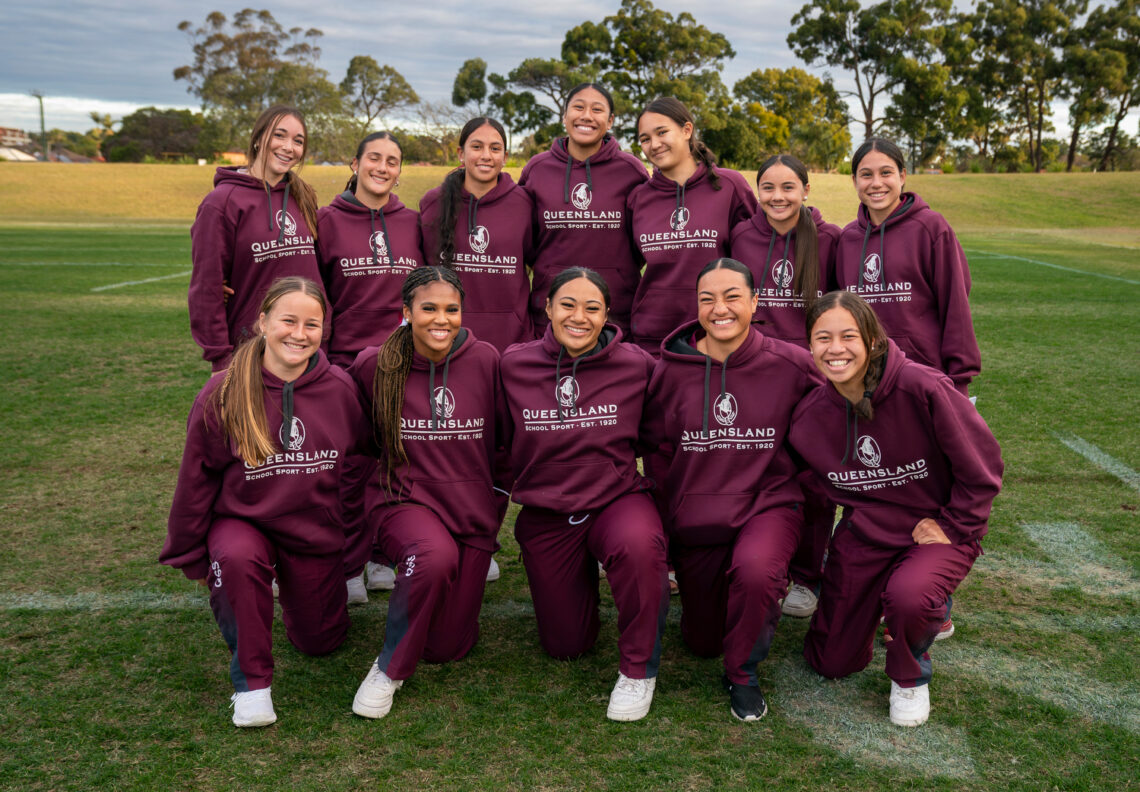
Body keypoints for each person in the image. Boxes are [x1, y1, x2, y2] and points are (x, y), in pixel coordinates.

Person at [787, 290, 1002, 727]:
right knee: (831, 662)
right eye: (822, 338)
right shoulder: (810, 416)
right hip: (868, 533)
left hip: (936, 529)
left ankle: (910, 672)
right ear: (809, 345)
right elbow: (798, 486)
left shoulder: (923, 387)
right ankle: (881, 604)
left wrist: (955, 522)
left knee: (909, 596)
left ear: (873, 341)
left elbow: (983, 466)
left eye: (848, 336)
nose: (835, 348)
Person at [161, 277, 369, 728]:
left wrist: (354, 546)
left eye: (311, 324)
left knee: (321, 641)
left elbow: (360, 467)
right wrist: (191, 553)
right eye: (288, 321)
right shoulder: (223, 391)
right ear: (262, 323)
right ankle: (252, 686)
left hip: (312, 530)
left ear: (324, 330)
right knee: (236, 558)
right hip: (244, 523)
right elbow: (195, 478)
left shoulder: (341, 388)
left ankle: (299, 599)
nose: (299, 333)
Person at [643, 258, 821, 722]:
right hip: (698, 517)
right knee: (702, 641)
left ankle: (743, 673)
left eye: (732, 297)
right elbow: (658, 449)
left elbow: (840, 409)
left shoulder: (792, 364)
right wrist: (668, 517)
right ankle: (726, 621)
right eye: (707, 299)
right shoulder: (669, 370)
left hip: (768, 503)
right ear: (696, 306)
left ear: (755, 302)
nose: (720, 308)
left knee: (758, 571)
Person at [500, 267, 669, 722]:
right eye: (568, 305)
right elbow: (496, 439)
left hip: (615, 499)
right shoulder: (513, 365)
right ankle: (582, 579)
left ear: (608, 314)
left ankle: (638, 670)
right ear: (548, 308)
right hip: (548, 511)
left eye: (592, 307)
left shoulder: (636, 364)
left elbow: (661, 432)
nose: (579, 316)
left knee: (639, 545)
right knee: (566, 645)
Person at [347, 266, 509, 720]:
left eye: (451, 309)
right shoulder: (374, 364)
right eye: (429, 309)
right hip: (404, 501)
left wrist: (492, 500)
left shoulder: (487, 360)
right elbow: (357, 446)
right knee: (432, 555)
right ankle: (387, 670)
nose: (442, 319)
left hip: (470, 515)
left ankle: (438, 603)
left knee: (446, 649)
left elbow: (504, 444)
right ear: (406, 312)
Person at [729, 154, 843, 620]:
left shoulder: (829, 239)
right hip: (756, 374)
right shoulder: (741, 236)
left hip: (812, 380)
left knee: (814, 480)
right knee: (756, 470)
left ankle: (807, 577)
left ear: (805, 190)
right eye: (768, 188)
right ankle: (752, 562)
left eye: (788, 187)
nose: (778, 197)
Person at [317, 131, 425, 602]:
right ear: (356, 162)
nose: (383, 167)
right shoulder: (326, 220)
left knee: (395, 461)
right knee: (349, 466)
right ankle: (346, 567)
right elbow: (314, 291)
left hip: (402, 360)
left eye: (393, 161)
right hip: (344, 362)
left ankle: (384, 558)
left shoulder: (413, 222)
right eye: (374, 158)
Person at [835, 138, 980, 396]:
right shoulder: (847, 239)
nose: (876, 183)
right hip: (863, 378)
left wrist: (960, 380)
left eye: (886, 173)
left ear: (902, 176)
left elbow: (955, 306)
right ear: (854, 181)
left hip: (925, 375)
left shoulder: (931, 228)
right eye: (866, 175)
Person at [188, 105, 324, 372]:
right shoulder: (221, 203)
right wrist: (221, 360)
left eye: (298, 141)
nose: (288, 147)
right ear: (259, 138)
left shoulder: (303, 196)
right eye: (279, 135)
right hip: (251, 351)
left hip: (307, 348)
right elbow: (207, 288)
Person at [626, 97, 757, 355]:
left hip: (717, 331)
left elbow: (755, 255)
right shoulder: (638, 198)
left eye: (662, 132)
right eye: (644, 139)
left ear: (687, 130)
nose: (654, 144)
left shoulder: (730, 186)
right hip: (653, 337)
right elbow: (628, 267)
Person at [518, 83, 648, 337]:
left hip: (616, 313)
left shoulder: (631, 170)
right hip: (553, 312)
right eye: (578, 107)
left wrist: (616, 274)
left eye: (597, 110)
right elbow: (525, 240)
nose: (586, 116)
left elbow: (643, 238)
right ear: (564, 116)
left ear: (610, 120)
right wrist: (550, 273)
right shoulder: (538, 169)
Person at [420, 117, 535, 351]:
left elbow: (538, 263)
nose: (486, 155)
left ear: (505, 157)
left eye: (495, 148)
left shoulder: (524, 204)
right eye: (477, 147)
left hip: (511, 341)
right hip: (446, 340)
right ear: (461, 153)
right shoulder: (433, 202)